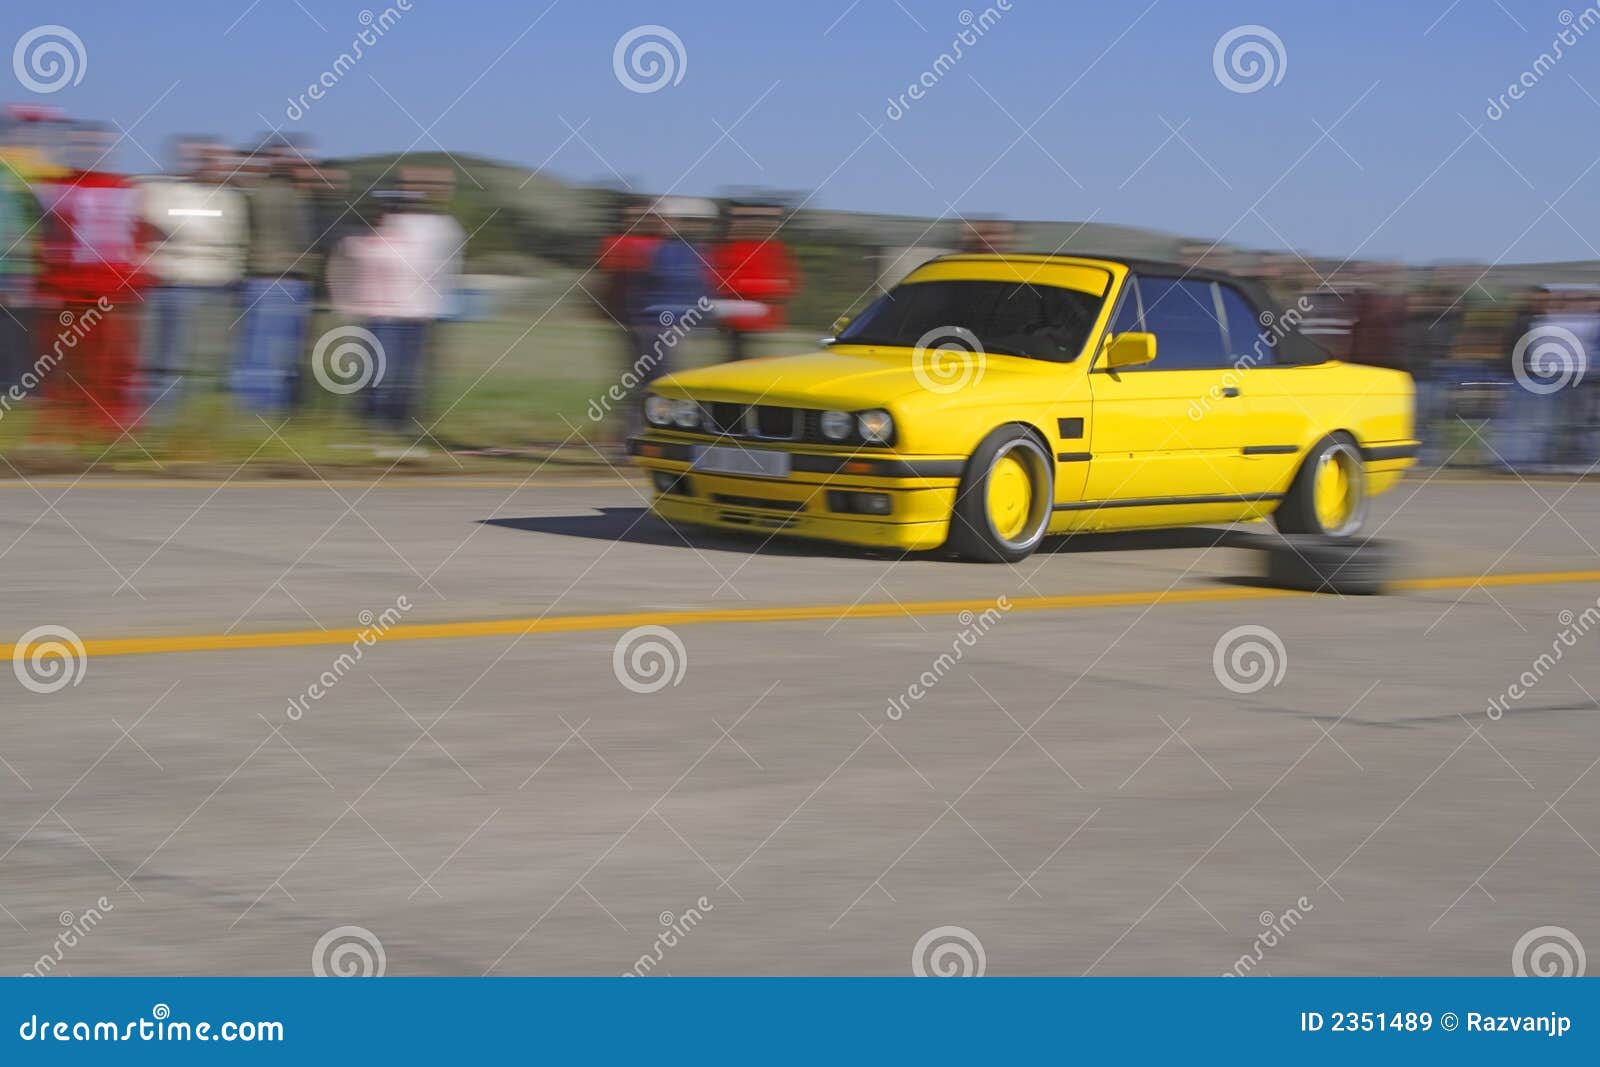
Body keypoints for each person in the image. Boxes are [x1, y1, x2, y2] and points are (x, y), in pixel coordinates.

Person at [34, 122, 148, 438]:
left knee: (113, 363)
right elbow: (40, 239)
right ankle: (63, 424)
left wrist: (135, 281)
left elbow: (138, 237)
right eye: (83, 143)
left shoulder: (126, 189)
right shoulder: (51, 188)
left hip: (111, 295)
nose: (91, 149)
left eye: (97, 143)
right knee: (62, 363)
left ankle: (109, 424)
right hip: (66, 294)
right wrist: (46, 282)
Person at [136, 137, 246, 420]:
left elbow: (233, 236)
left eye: (219, 161)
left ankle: (197, 421)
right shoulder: (161, 191)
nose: (215, 166)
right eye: (206, 159)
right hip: (175, 284)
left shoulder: (230, 198)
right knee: (167, 359)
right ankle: (161, 419)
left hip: (219, 287)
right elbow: (180, 226)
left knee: (208, 360)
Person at [375, 167, 464, 429]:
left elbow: (448, 268)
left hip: (417, 308)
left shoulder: (442, 226)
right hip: (402, 307)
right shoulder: (401, 223)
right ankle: (388, 417)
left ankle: (398, 418)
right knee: (394, 366)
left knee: (404, 368)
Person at [231, 136, 315, 413]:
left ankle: (273, 410)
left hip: (293, 281)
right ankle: (256, 411)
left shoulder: (295, 192)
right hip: (270, 278)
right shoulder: (269, 192)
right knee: (262, 351)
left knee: (283, 353)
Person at [711, 199, 798, 361]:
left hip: (763, 321)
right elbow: (720, 280)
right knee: (735, 360)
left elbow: (789, 283)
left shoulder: (776, 249)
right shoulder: (727, 247)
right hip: (736, 320)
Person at [0, 153, 38, 392]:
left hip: (15, 273)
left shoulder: (20, 182)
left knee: (15, 336)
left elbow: (36, 226)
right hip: (14, 271)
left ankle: (15, 388)